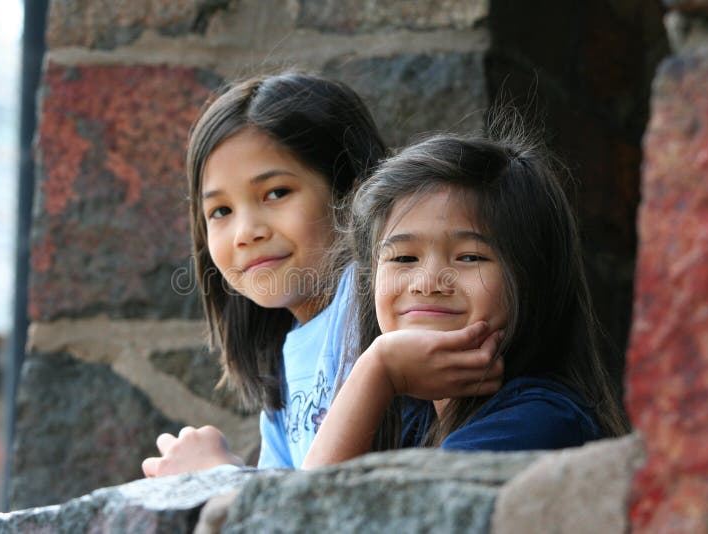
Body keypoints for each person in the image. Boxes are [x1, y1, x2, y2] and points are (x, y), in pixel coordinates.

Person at [141, 72, 502, 476]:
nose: (246, 233)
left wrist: (217, 477)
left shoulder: (384, 304)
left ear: (352, 192)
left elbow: (318, 501)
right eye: (221, 211)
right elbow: (280, 513)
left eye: (276, 193)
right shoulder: (283, 360)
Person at [304, 131, 629, 468]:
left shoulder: (535, 423)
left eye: (470, 257)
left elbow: (302, 515)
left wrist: (377, 368)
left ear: (533, 276)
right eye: (403, 259)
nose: (428, 282)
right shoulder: (418, 419)